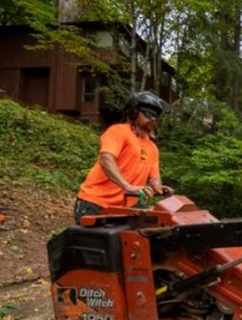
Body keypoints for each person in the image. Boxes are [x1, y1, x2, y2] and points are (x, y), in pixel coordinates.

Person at [74, 91, 175, 224]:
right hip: (96, 202)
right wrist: (127, 186)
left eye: (155, 115)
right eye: (148, 114)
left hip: (125, 208)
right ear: (133, 113)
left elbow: (154, 178)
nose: (153, 119)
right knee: (92, 244)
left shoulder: (153, 148)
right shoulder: (119, 131)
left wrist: (159, 188)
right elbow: (106, 159)